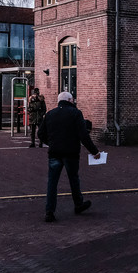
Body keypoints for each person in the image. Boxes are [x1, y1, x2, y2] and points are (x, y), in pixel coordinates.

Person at [37, 91, 100, 222]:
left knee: (52, 182)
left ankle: (49, 211)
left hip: (54, 152)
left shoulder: (50, 114)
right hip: (71, 152)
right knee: (73, 179)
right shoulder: (76, 114)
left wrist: (51, 143)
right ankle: (78, 204)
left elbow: (41, 134)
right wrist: (94, 151)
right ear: (70, 100)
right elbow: (83, 135)